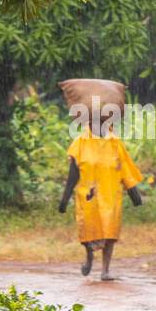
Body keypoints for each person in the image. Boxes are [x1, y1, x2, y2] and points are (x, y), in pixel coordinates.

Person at [57, 113, 144, 280]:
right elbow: (73, 175)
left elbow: (125, 171)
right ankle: (89, 255)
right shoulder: (80, 143)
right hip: (89, 196)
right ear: (89, 121)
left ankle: (105, 270)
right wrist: (64, 198)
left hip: (111, 195)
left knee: (110, 233)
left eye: (103, 121)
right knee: (88, 233)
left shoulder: (115, 143)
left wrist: (134, 194)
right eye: (95, 120)